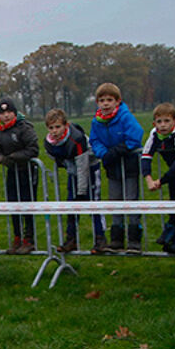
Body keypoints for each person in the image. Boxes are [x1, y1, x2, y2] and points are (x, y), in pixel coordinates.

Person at [88, 83, 144, 252]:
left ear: (118, 101)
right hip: (111, 165)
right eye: (102, 100)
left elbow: (136, 135)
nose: (105, 104)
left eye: (109, 100)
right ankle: (117, 239)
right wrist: (104, 153)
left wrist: (118, 150)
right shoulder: (96, 122)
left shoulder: (125, 116)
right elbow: (94, 141)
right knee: (115, 200)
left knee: (131, 199)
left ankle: (134, 240)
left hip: (128, 163)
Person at [44, 108, 104, 253]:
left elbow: (82, 165)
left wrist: (81, 190)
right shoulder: (49, 142)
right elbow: (54, 156)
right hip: (73, 172)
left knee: (94, 206)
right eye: (51, 128)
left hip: (89, 168)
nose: (55, 131)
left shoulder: (76, 138)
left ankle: (100, 240)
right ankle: (71, 239)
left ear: (65, 125)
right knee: (71, 206)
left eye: (58, 127)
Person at [140, 103, 175, 254]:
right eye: (159, 122)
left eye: (167, 121)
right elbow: (145, 156)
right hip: (173, 176)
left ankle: (169, 230)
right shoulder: (155, 134)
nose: (163, 125)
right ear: (154, 123)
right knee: (173, 206)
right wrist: (149, 179)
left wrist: (161, 180)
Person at [0, 98, 39, 254]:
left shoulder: (24, 128)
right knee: (13, 205)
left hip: (27, 170)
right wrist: (0, 158)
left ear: (15, 112)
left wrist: (14, 156)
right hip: (12, 171)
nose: (6, 115)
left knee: (27, 204)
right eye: (2, 113)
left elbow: (33, 149)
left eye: (9, 112)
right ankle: (17, 237)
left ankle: (29, 239)